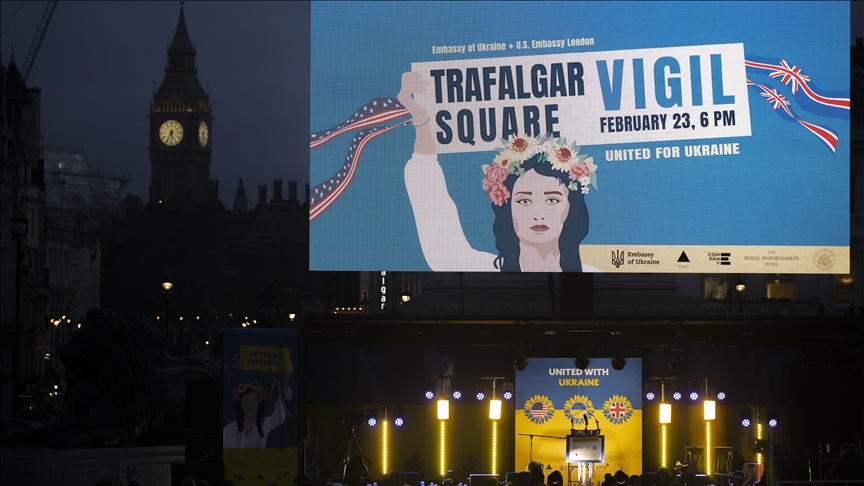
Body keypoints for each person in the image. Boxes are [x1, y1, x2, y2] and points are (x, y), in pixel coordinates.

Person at [398, 72, 599, 273]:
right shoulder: (478, 269)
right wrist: (421, 119)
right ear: (507, 207)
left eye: (552, 200)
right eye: (524, 201)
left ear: (570, 208)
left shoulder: (595, 275)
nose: (539, 215)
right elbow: (428, 187)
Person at [222, 358, 293, 448]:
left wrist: (286, 378)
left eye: (254, 400)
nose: (250, 404)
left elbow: (281, 409)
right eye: (246, 400)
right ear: (240, 403)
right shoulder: (229, 428)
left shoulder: (265, 424)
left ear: (259, 402)